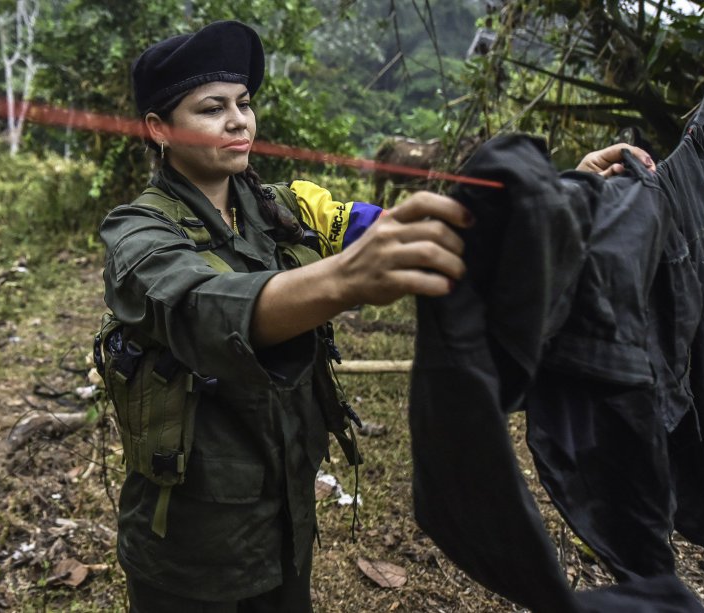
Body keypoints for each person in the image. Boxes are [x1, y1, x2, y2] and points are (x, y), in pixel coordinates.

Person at [99, 20, 654, 612]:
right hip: (185, 536)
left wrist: (566, 192)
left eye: (244, 103)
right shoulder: (136, 232)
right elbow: (196, 307)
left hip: (283, 513)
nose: (238, 121)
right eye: (212, 108)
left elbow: (419, 232)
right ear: (160, 128)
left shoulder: (289, 207)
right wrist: (342, 278)